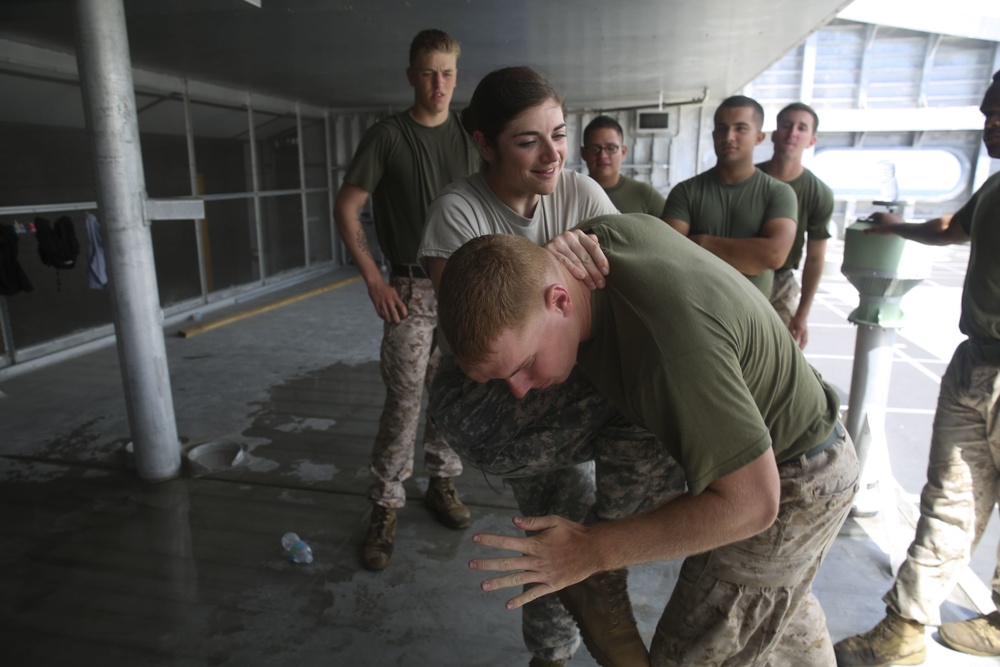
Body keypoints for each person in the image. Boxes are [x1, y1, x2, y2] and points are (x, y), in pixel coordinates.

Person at [436, 213, 859, 667]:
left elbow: (754, 504)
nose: (518, 389)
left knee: (689, 656)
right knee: (777, 611)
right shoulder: (593, 247)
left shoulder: (669, 352)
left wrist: (591, 552)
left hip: (794, 478)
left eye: (525, 364)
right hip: (771, 446)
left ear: (560, 300)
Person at [419, 67, 686, 667]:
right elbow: (482, 339)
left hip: (575, 376)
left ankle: (597, 575)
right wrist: (547, 267)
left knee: (592, 501)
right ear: (484, 144)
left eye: (559, 135)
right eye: (526, 141)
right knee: (556, 516)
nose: (551, 156)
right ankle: (553, 651)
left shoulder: (583, 194)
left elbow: (620, 299)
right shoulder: (459, 213)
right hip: (497, 397)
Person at [833, 69, 1000, 666]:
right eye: (987, 114)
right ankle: (903, 627)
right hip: (975, 359)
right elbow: (950, 230)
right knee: (950, 496)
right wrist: (893, 227)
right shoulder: (994, 189)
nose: (991, 127)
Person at [333, 29, 478, 572]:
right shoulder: (388, 136)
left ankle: (442, 483)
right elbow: (348, 207)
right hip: (411, 287)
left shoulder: (471, 135)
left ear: (456, 76)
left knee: (456, 389)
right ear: (411, 75)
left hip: (464, 285)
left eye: (446, 73)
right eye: (427, 72)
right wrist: (372, 276)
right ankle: (385, 507)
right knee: (405, 399)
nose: (437, 84)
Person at [662, 95, 797, 298]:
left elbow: (773, 255)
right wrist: (748, 255)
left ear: (759, 137)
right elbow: (670, 253)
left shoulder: (778, 193)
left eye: (740, 128)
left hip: (753, 318)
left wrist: (701, 243)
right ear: (714, 134)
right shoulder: (685, 192)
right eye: (722, 128)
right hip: (696, 312)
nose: (729, 137)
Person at [757, 102, 834, 349]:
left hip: (781, 282)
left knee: (778, 355)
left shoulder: (818, 192)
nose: (792, 134)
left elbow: (815, 258)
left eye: (802, 128)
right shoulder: (747, 178)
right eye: (787, 126)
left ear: (811, 140)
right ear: (774, 133)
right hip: (740, 274)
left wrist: (802, 314)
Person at [581, 115, 666, 215]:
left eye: (611, 148)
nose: (603, 155)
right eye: (594, 149)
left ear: (623, 152)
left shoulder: (644, 194)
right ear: (583, 153)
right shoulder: (571, 193)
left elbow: (673, 230)